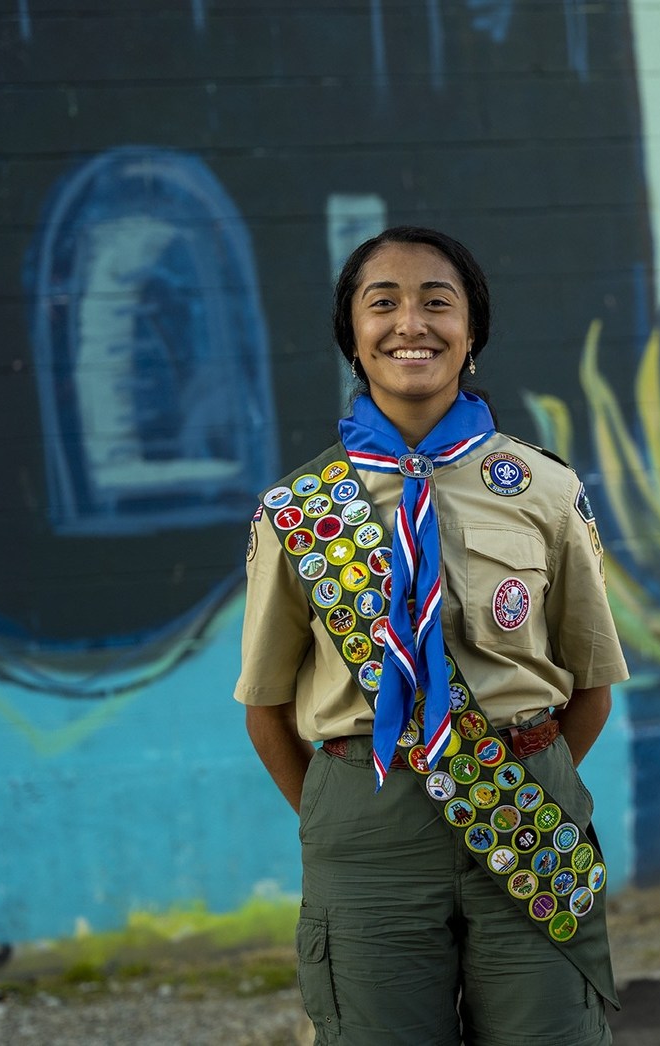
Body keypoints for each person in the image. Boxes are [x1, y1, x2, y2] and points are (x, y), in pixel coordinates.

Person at [235, 226, 629, 1045]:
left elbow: (590, 683)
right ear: (353, 337)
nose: (410, 322)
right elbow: (267, 709)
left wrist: (495, 776)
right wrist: (349, 813)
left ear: (472, 334)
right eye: (382, 303)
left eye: (436, 303)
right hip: (366, 829)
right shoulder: (299, 513)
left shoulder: (544, 490)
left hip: (524, 805)